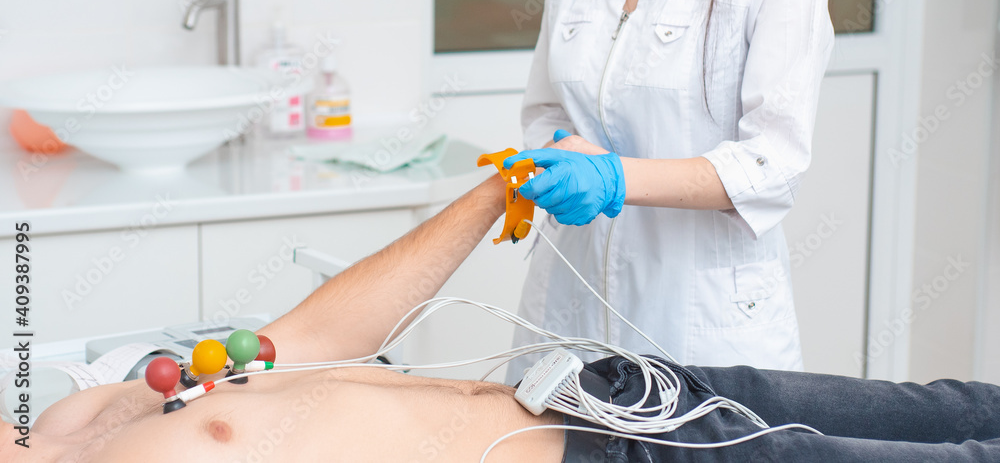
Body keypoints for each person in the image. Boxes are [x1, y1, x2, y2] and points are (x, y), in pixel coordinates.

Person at [3, 174, 1000, 462]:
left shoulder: (81, 418)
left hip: (610, 390)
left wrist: (491, 193)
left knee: (957, 407)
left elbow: (312, 334)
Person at [503, 0, 835, 375]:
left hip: (703, 324)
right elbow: (548, 107)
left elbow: (773, 165)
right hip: (569, 310)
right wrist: (556, 156)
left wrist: (612, 179)